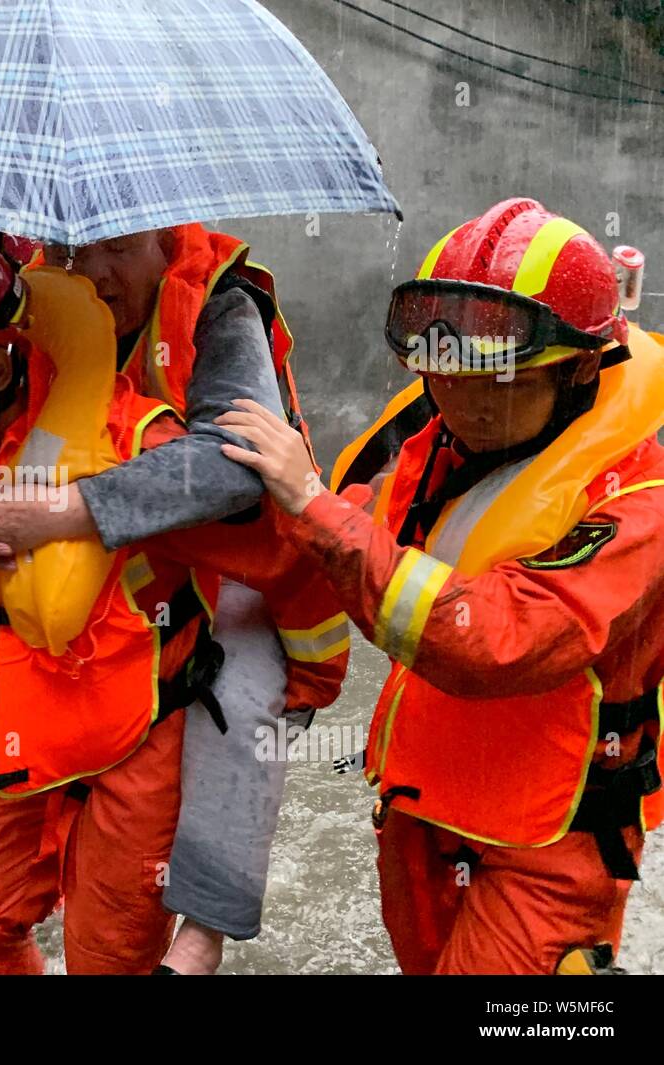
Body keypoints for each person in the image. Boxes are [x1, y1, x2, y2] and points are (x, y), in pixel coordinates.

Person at [0, 214, 346, 972]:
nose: (90, 273)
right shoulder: (11, 310)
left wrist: (64, 510)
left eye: (118, 249)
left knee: (246, 706)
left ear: (165, 240)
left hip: (223, 566)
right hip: (46, 657)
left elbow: (236, 471)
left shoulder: (221, 308)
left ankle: (205, 931)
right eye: (70, 253)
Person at [216, 198, 664, 974]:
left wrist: (313, 506)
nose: (460, 400)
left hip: (552, 841)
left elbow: (501, 639)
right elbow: (333, 535)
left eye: (496, 382)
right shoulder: (437, 430)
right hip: (425, 806)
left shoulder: (640, 499)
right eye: (444, 375)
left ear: (583, 366)